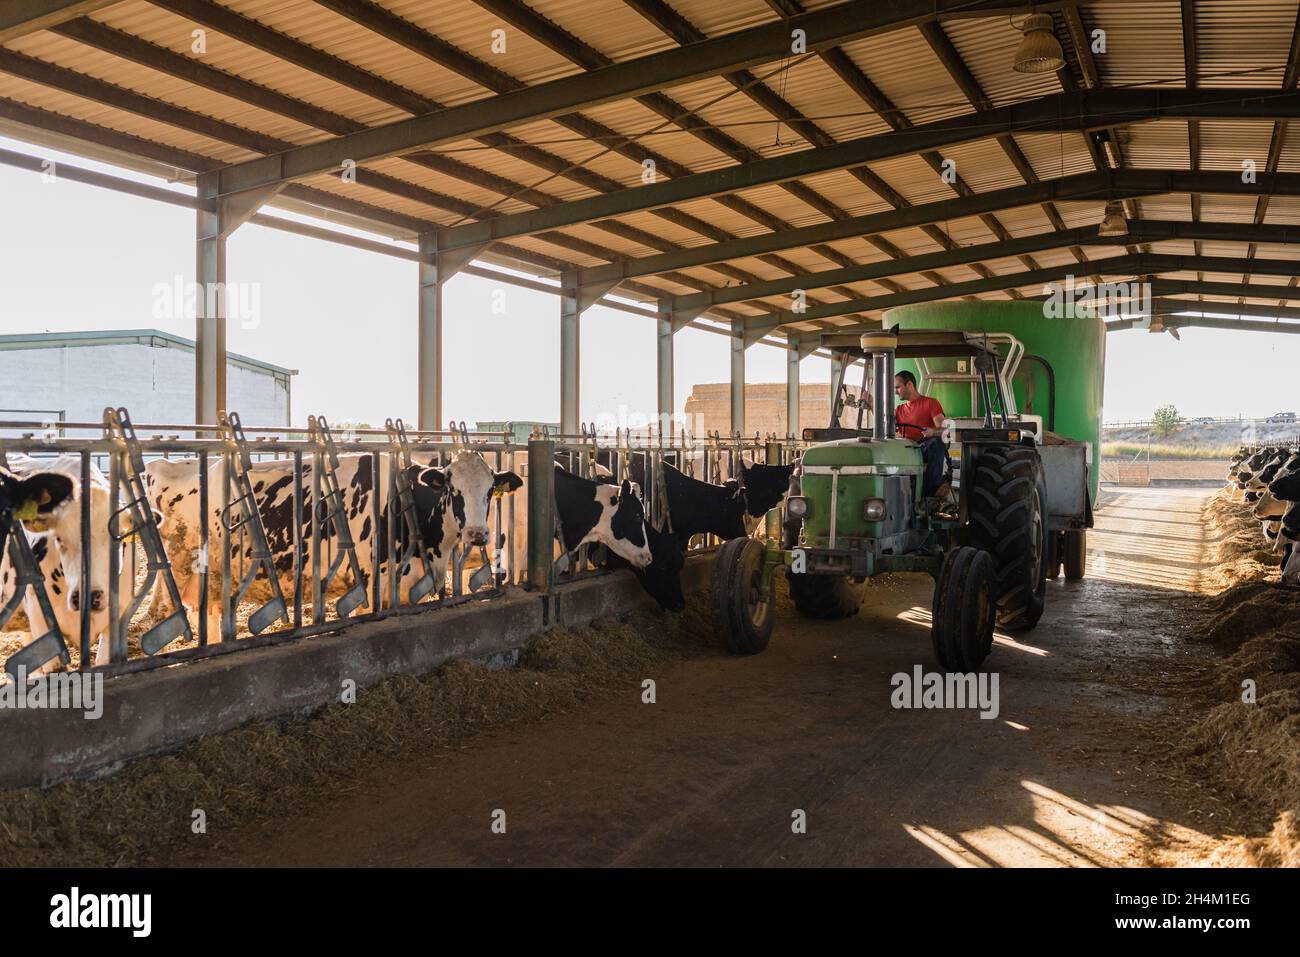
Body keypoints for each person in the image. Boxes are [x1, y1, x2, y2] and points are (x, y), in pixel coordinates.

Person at [864, 370, 952, 499]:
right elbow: (885, 425)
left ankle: (930, 493)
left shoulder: (930, 403)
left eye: (898, 387)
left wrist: (933, 431)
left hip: (923, 449)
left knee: (935, 443)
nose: (895, 391)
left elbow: (945, 430)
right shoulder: (899, 410)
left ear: (909, 384)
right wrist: (872, 405)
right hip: (905, 450)